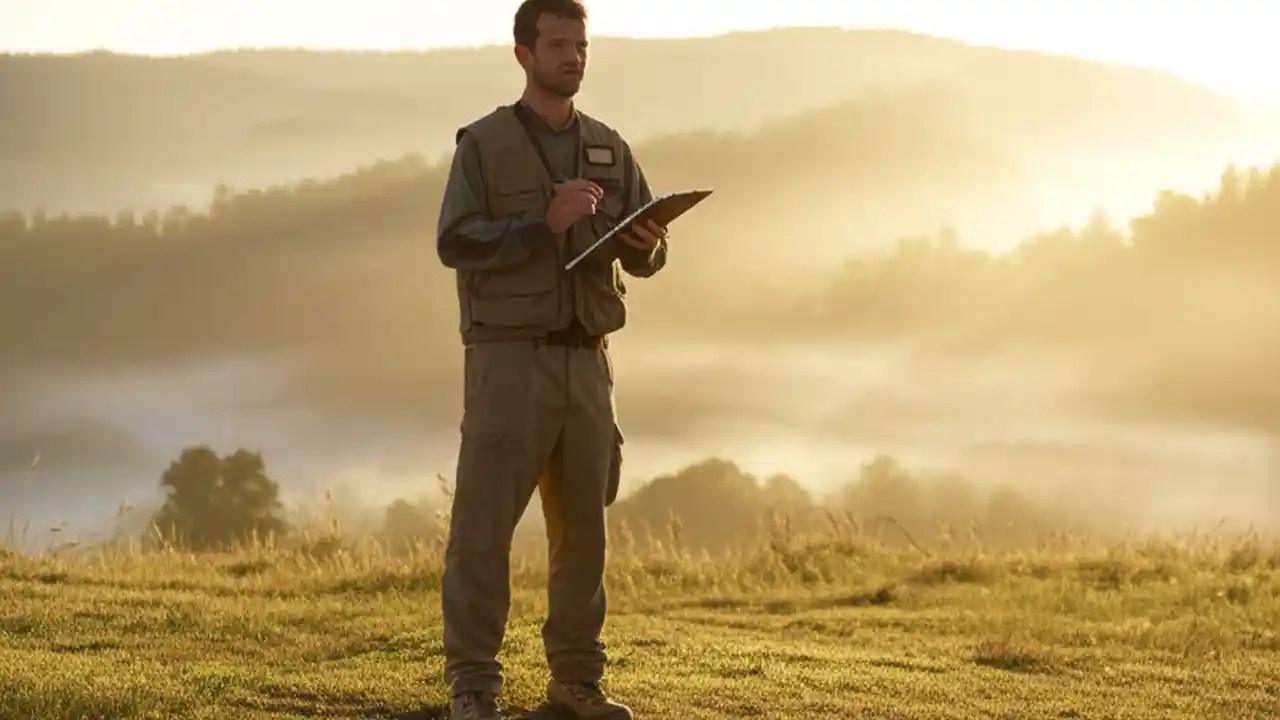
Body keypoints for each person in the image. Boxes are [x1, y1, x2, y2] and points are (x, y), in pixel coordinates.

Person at [434, 1, 669, 718]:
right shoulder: (483, 145)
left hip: (587, 365)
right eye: (558, 44)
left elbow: (651, 253)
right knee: (482, 535)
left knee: (585, 537)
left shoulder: (609, 145)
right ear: (522, 54)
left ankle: (575, 684)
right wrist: (545, 223)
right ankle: (474, 687)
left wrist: (647, 244)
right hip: (510, 363)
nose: (574, 56)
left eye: (582, 45)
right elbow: (456, 244)